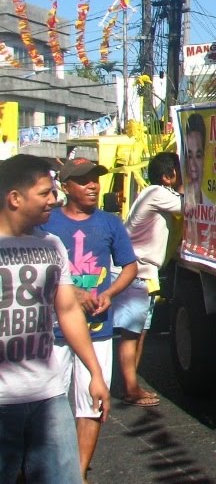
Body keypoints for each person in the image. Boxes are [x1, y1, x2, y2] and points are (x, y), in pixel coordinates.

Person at [0, 155, 111, 484]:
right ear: (15, 198)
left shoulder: (52, 245)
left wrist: (95, 372)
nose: (55, 199)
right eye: (46, 193)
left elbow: (67, 311)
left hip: (48, 401)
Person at [47, 158, 137, 482]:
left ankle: (78, 473)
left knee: (92, 404)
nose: (93, 185)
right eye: (84, 180)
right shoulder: (47, 224)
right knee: (50, 406)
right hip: (53, 333)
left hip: (98, 330)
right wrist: (70, 294)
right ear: (66, 186)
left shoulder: (111, 224)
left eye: (96, 179)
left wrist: (109, 293)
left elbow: (129, 266)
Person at [111, 152, 183, 407]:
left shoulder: (155, 193)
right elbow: (191, 205)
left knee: (140, 332)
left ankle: (131, 386)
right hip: (137, 271)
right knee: (132, 333)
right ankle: (129, 388)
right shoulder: (158, 193)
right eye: (179, 169)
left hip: (144, 272)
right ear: (167, 176)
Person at [184, 112, 206, 208]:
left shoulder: (214, 207)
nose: (193, 166)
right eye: (189, 156)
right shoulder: (176, 203)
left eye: (198, 156)